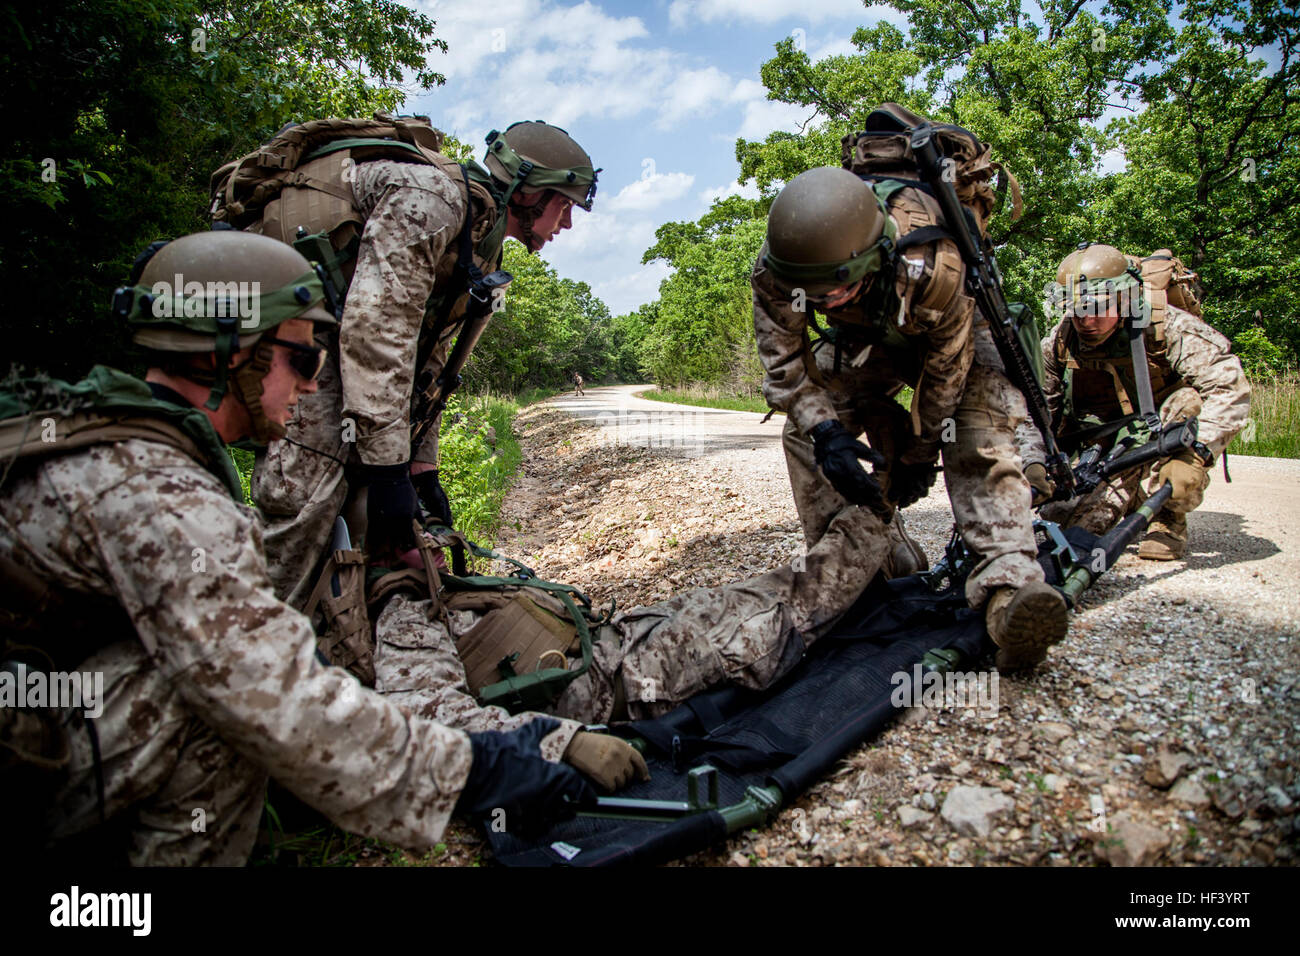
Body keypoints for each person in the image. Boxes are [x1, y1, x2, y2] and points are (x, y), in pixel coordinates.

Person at [0, 231, 601, 865]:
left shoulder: (97, 429)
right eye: (306, 360)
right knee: (220, 706)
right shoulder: (167, 496)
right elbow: (274, 699)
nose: (314, 386)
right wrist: (490, 764)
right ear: (235, 354)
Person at [246, 120, 599, 609]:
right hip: (304, 350)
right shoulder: (431, 200)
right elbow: (378, 333)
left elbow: (428, 356)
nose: (566, 223)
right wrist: (389, 470)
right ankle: (251, 650)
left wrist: (420, 467)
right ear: (527, 190)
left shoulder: (481, 234)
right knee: (304, 515)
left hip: (343, 349)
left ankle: (341, 648)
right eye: (564, 204)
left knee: (370, 535)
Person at [751, 164, 1067, 671]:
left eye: (835, 289)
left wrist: (920, 454)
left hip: (954, 334)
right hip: (867, 340)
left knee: (973, 432)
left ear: (873, 258)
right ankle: (862, 570)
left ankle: (1010, 591)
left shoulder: (934, 264)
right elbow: (785, 364)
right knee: (805, 435)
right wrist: (827, 430)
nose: (824, 302)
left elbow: (945, 375)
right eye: (814, 296)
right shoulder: (780, 270)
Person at [1020, 243, 1250, 558]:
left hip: (1161, 434)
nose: (1086, 321)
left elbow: (1229, 386)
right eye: (1076, 310)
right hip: (1103, 444)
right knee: (1065, 522)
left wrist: (1197, 453)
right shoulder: (1061, 340)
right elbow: (1036, 411)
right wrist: (1034, 462)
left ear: (1124, 299)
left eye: (1098, 309)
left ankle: (1168, 518)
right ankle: (1132, 497)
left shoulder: (1165, 325)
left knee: (1187, 402)